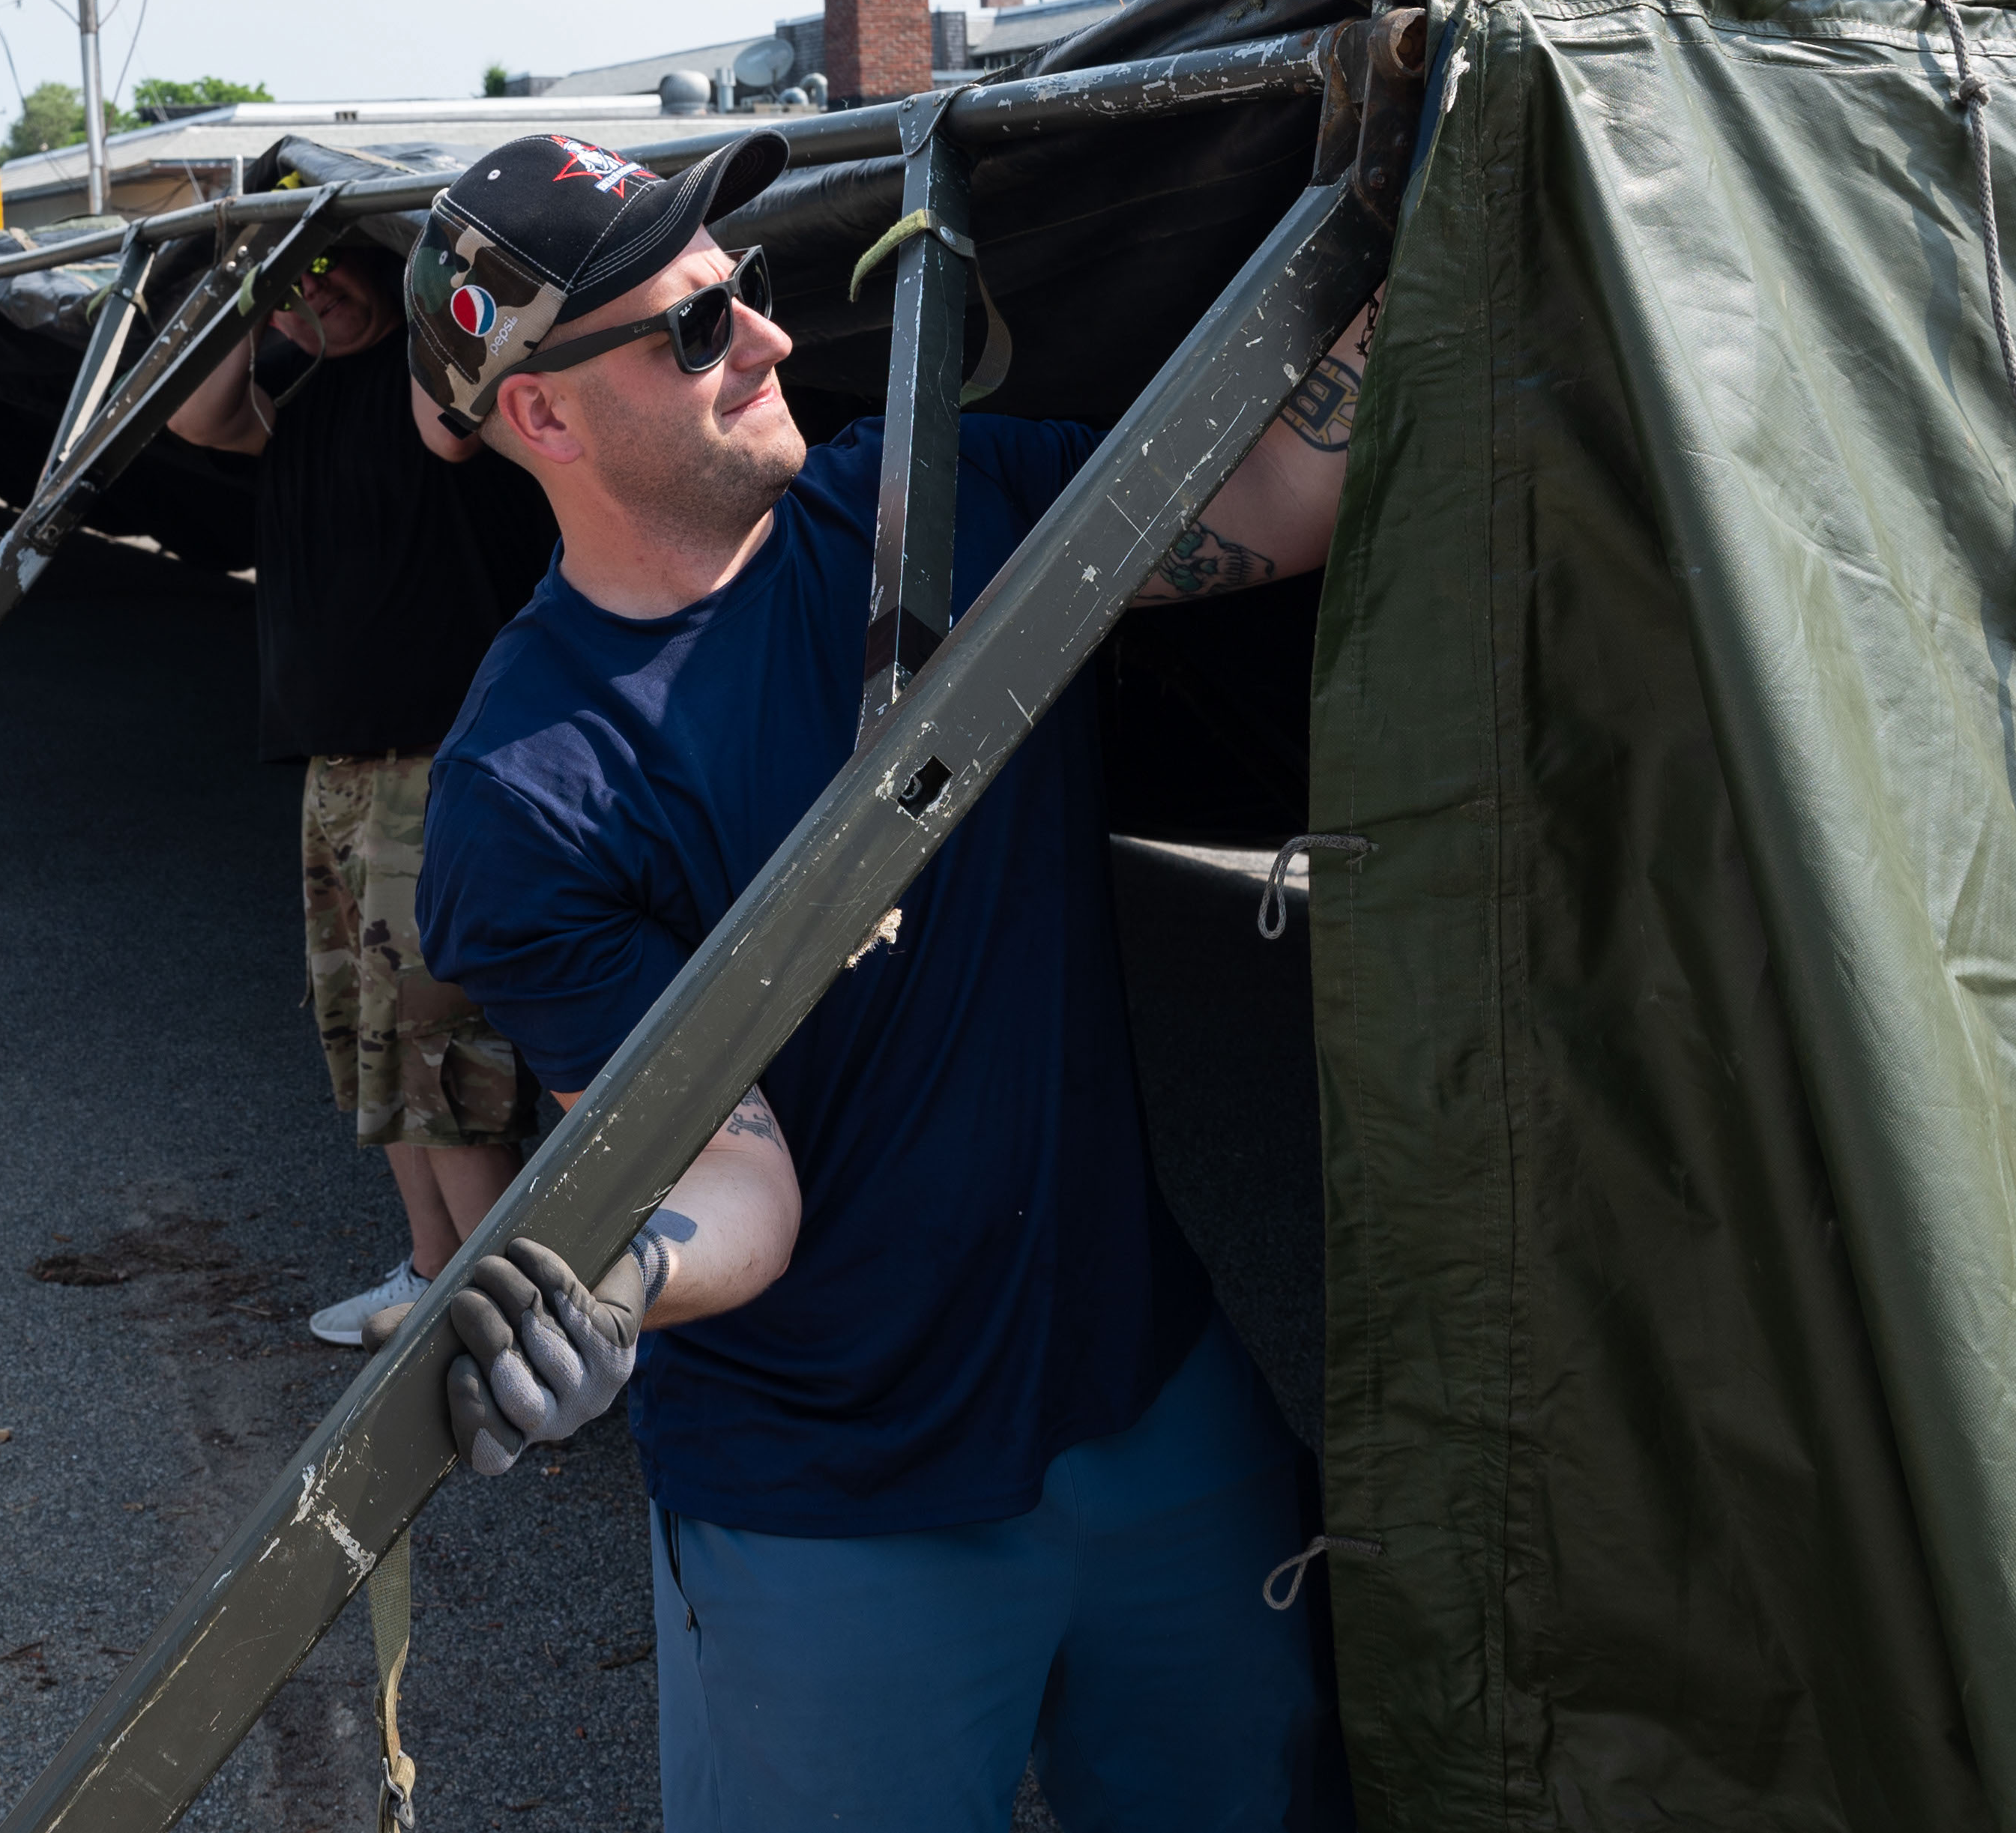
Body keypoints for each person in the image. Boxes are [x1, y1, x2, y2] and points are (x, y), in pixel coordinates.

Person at [387, 131, 1377, 1830]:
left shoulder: (930, 503)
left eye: (746, 291)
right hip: (835, 1502)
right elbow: (730, 1174)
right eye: (693, 330)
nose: (769, 338)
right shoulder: (531, 788)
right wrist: (601, 1288)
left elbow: (1281, 502)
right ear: (542, 413)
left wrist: (1392, 197)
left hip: (1146, 1406)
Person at [165, 234, 558, 1346]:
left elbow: (446, 413)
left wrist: (350, 280)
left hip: (434, 761)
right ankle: (435, 1273)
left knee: (443, 1057)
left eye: (333, 269)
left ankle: (512, 1325)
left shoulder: (433, 383)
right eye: (295, 279)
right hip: (338, 772)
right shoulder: (296, 393)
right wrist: (254, 291)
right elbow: (195, 416)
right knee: (369, 1045)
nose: (311, 293)